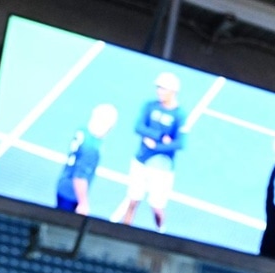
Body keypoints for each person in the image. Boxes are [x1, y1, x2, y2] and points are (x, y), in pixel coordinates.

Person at [118, 71, 186, 232]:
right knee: (133, 200)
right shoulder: (150, 106)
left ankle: (161, 231)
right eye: (158, 88)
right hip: (141, 161)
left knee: (157, 207)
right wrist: (160, 136)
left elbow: (179, 143)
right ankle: (123, 231)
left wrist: (156, 146)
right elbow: (138, 127)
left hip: (162, 169)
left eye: (163, 89)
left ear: (173, 91)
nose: (159, 92)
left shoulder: (179, 115)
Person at [55, 103, 119, 215]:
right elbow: (79, 178)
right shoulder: (92, 149)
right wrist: (83, 203)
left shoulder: (82, 131)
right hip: (71, 194)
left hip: (63, 183)